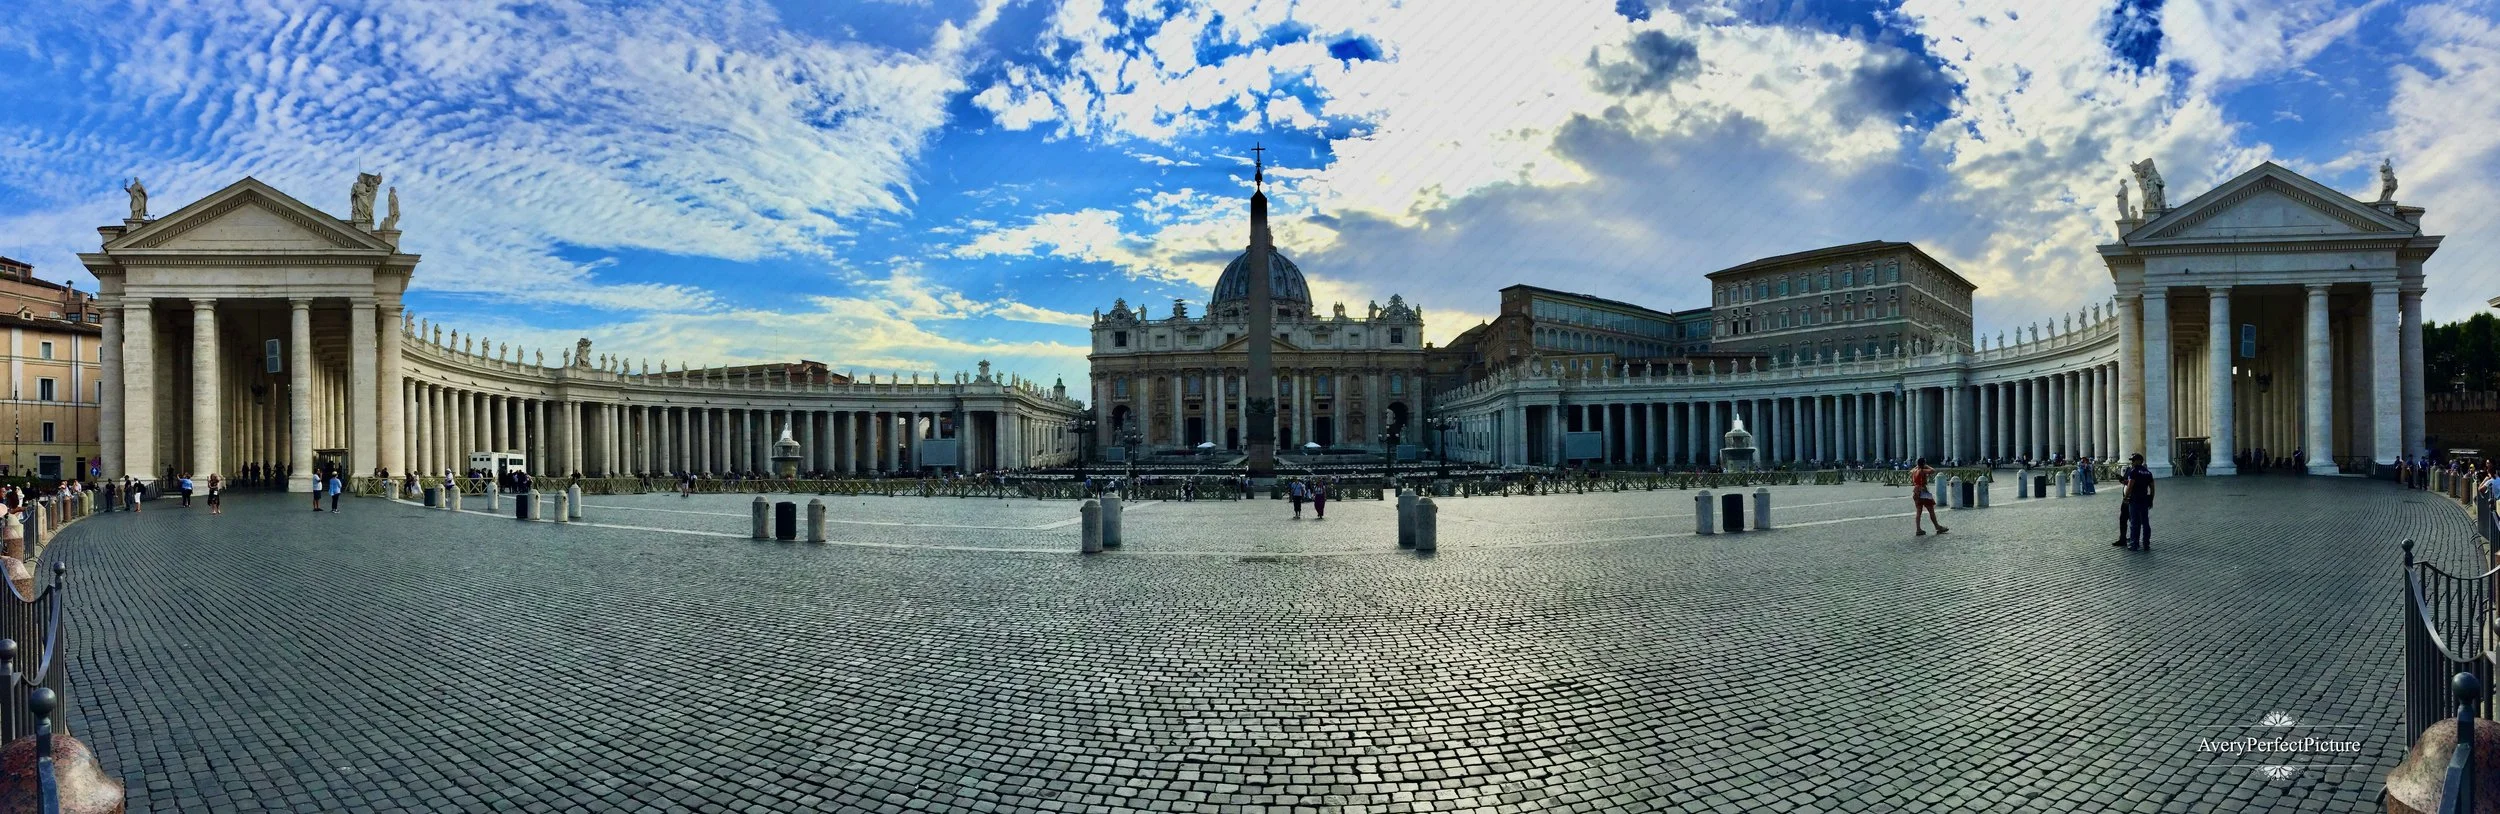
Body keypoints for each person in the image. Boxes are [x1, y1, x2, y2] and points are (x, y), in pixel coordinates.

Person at [2118, 453, 2154, 551]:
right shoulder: (2148, 472)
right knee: (2145, 522)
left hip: (2134, 499)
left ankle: (2134, 544)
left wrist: (2126, 497)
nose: (2132, 462)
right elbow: (2152, 487)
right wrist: (2151, 499)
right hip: (2144, 499)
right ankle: (2146, 543)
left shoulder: (2133, 472)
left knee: (2135, 522)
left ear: (2138, 461)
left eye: (2133, 460)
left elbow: (2130, 486)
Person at [1909, 458, 1947, 536]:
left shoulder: (1914, 471)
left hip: (1916, 491)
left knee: (1918, 511)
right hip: (1923, 491)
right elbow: (1933, 470)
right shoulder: (1922, 471)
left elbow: (1910, 471)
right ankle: (1937, 527)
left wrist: (1918, 466)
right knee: (1931, 510)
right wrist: (1927, 466)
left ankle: (1918, 529)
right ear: (1923, 464)